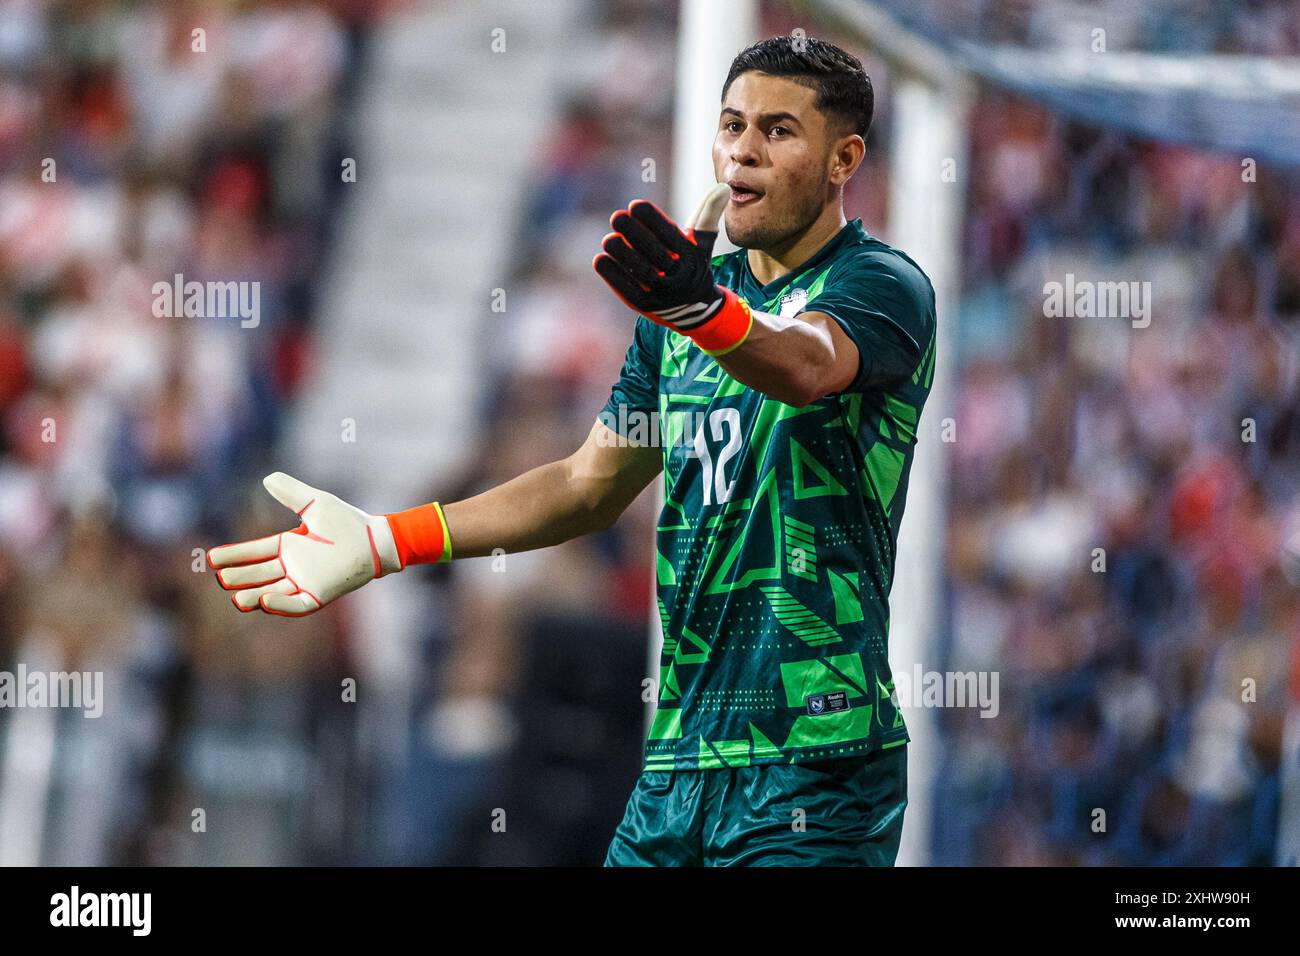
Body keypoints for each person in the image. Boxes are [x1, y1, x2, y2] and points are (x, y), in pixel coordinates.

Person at [207, 35, 936, 866]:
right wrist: (385, 540)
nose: (743, 150)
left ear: (844, 158)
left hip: (816, 759)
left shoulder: (883, 284)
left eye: (778, 130)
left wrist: (703, 314)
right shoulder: (686, 312)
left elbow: (806, 364)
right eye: (732, 125)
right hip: (679, 761)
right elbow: (589, 482)